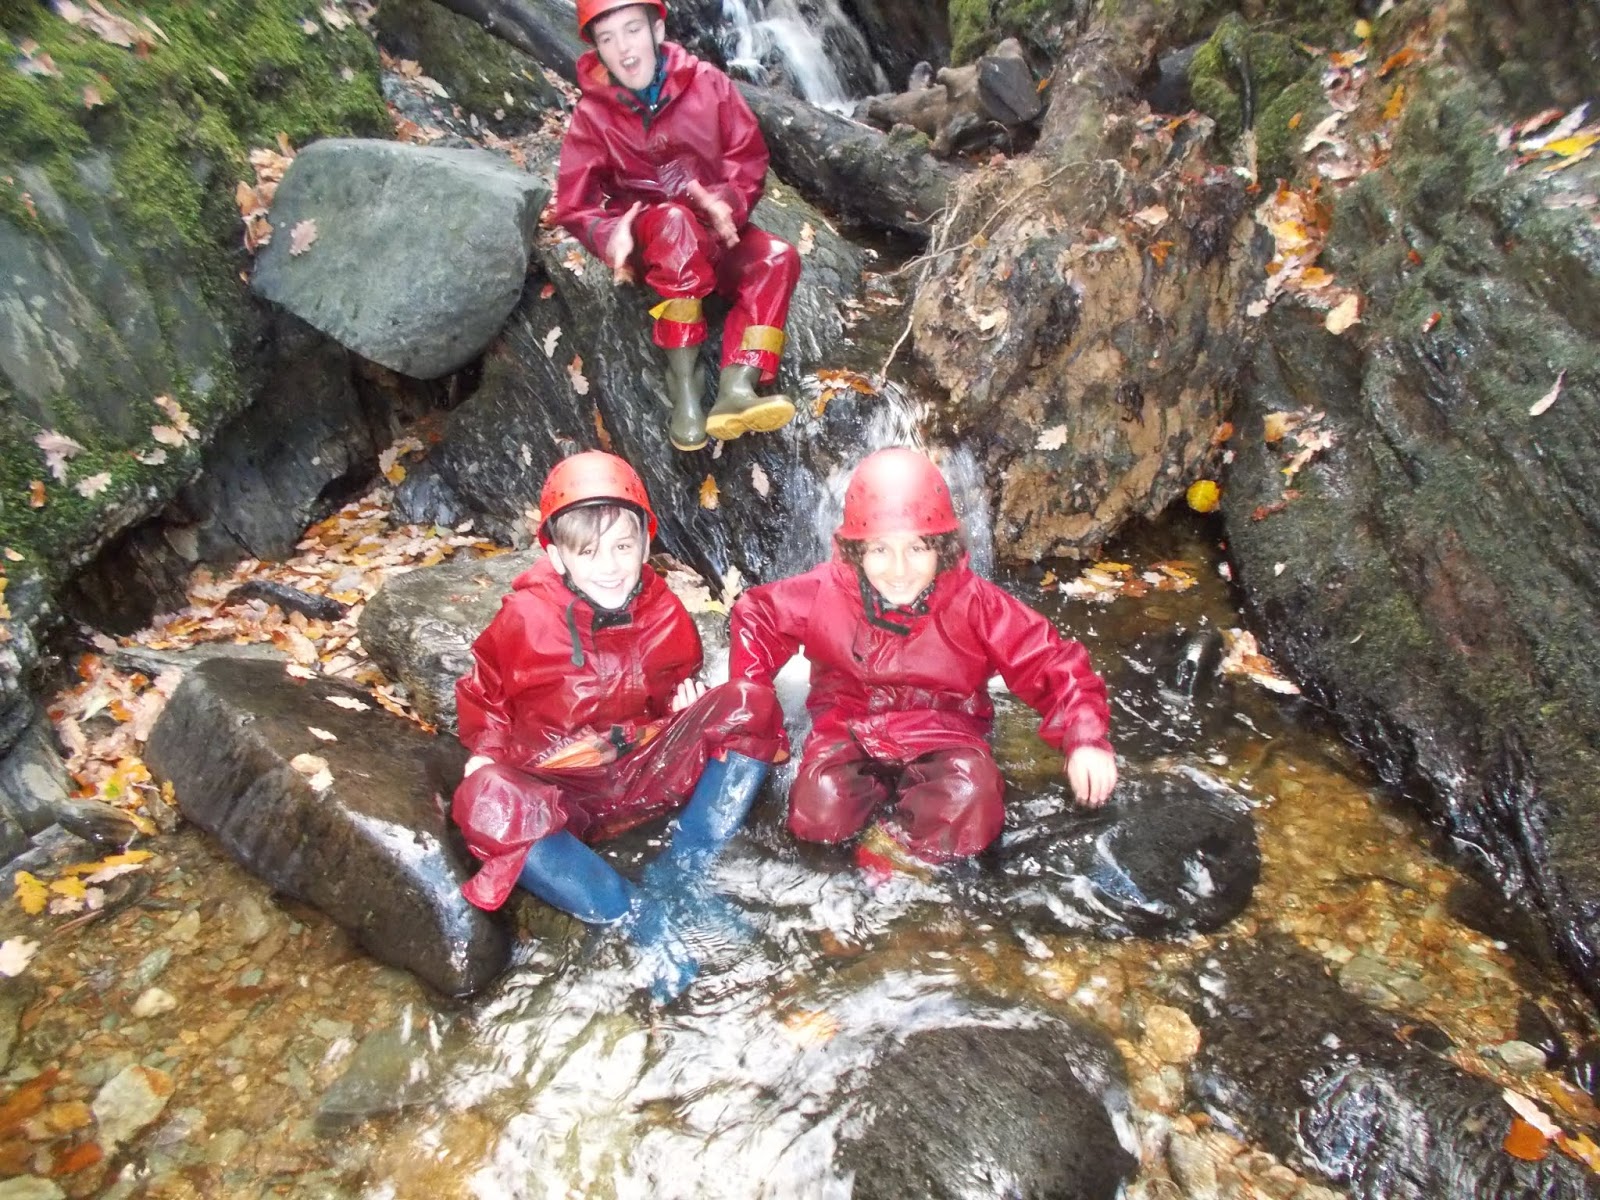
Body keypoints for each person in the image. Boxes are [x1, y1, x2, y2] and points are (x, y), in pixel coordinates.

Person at [451, 450, 785, 990]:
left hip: (642, 771)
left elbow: (681, 687)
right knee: (483, 801)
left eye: (623, 547)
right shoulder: (525, 619)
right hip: (565, 791)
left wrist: (682, 708)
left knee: (751, 700)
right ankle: (634, 914)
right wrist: (485, 751)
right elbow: (484, 690)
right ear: (558, 558)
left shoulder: (665, 610)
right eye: (588, 551)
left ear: (646, 546)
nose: (609, 566)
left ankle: (684, 871)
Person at [727, 447, 1118, 868]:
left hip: (946, 730)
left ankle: (895, 853)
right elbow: (757, 614)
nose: (899, 570)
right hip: (849, 725)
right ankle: (849, 868)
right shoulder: (826, 591)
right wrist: (753, 705)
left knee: (972, 797)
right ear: (857, 552)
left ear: (943, 548)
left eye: (917, 548)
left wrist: (1085, 739)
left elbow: (1049, 661)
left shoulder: (974, 602)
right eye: (879, 550)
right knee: (818, 811)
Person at [554, 0, 802, 453]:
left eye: (632, 31)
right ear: (598, 52)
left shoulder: (709, 84)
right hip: (658, 243)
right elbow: (575, 204)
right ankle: (685, 383)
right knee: (672, 221)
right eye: (608, 39)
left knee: (777, 259)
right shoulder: (593, 116)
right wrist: (613, 236)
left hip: (716, 236)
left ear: (657, 30)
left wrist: (728, 204)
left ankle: (738, 383)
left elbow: (747, 156)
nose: (624, 50)